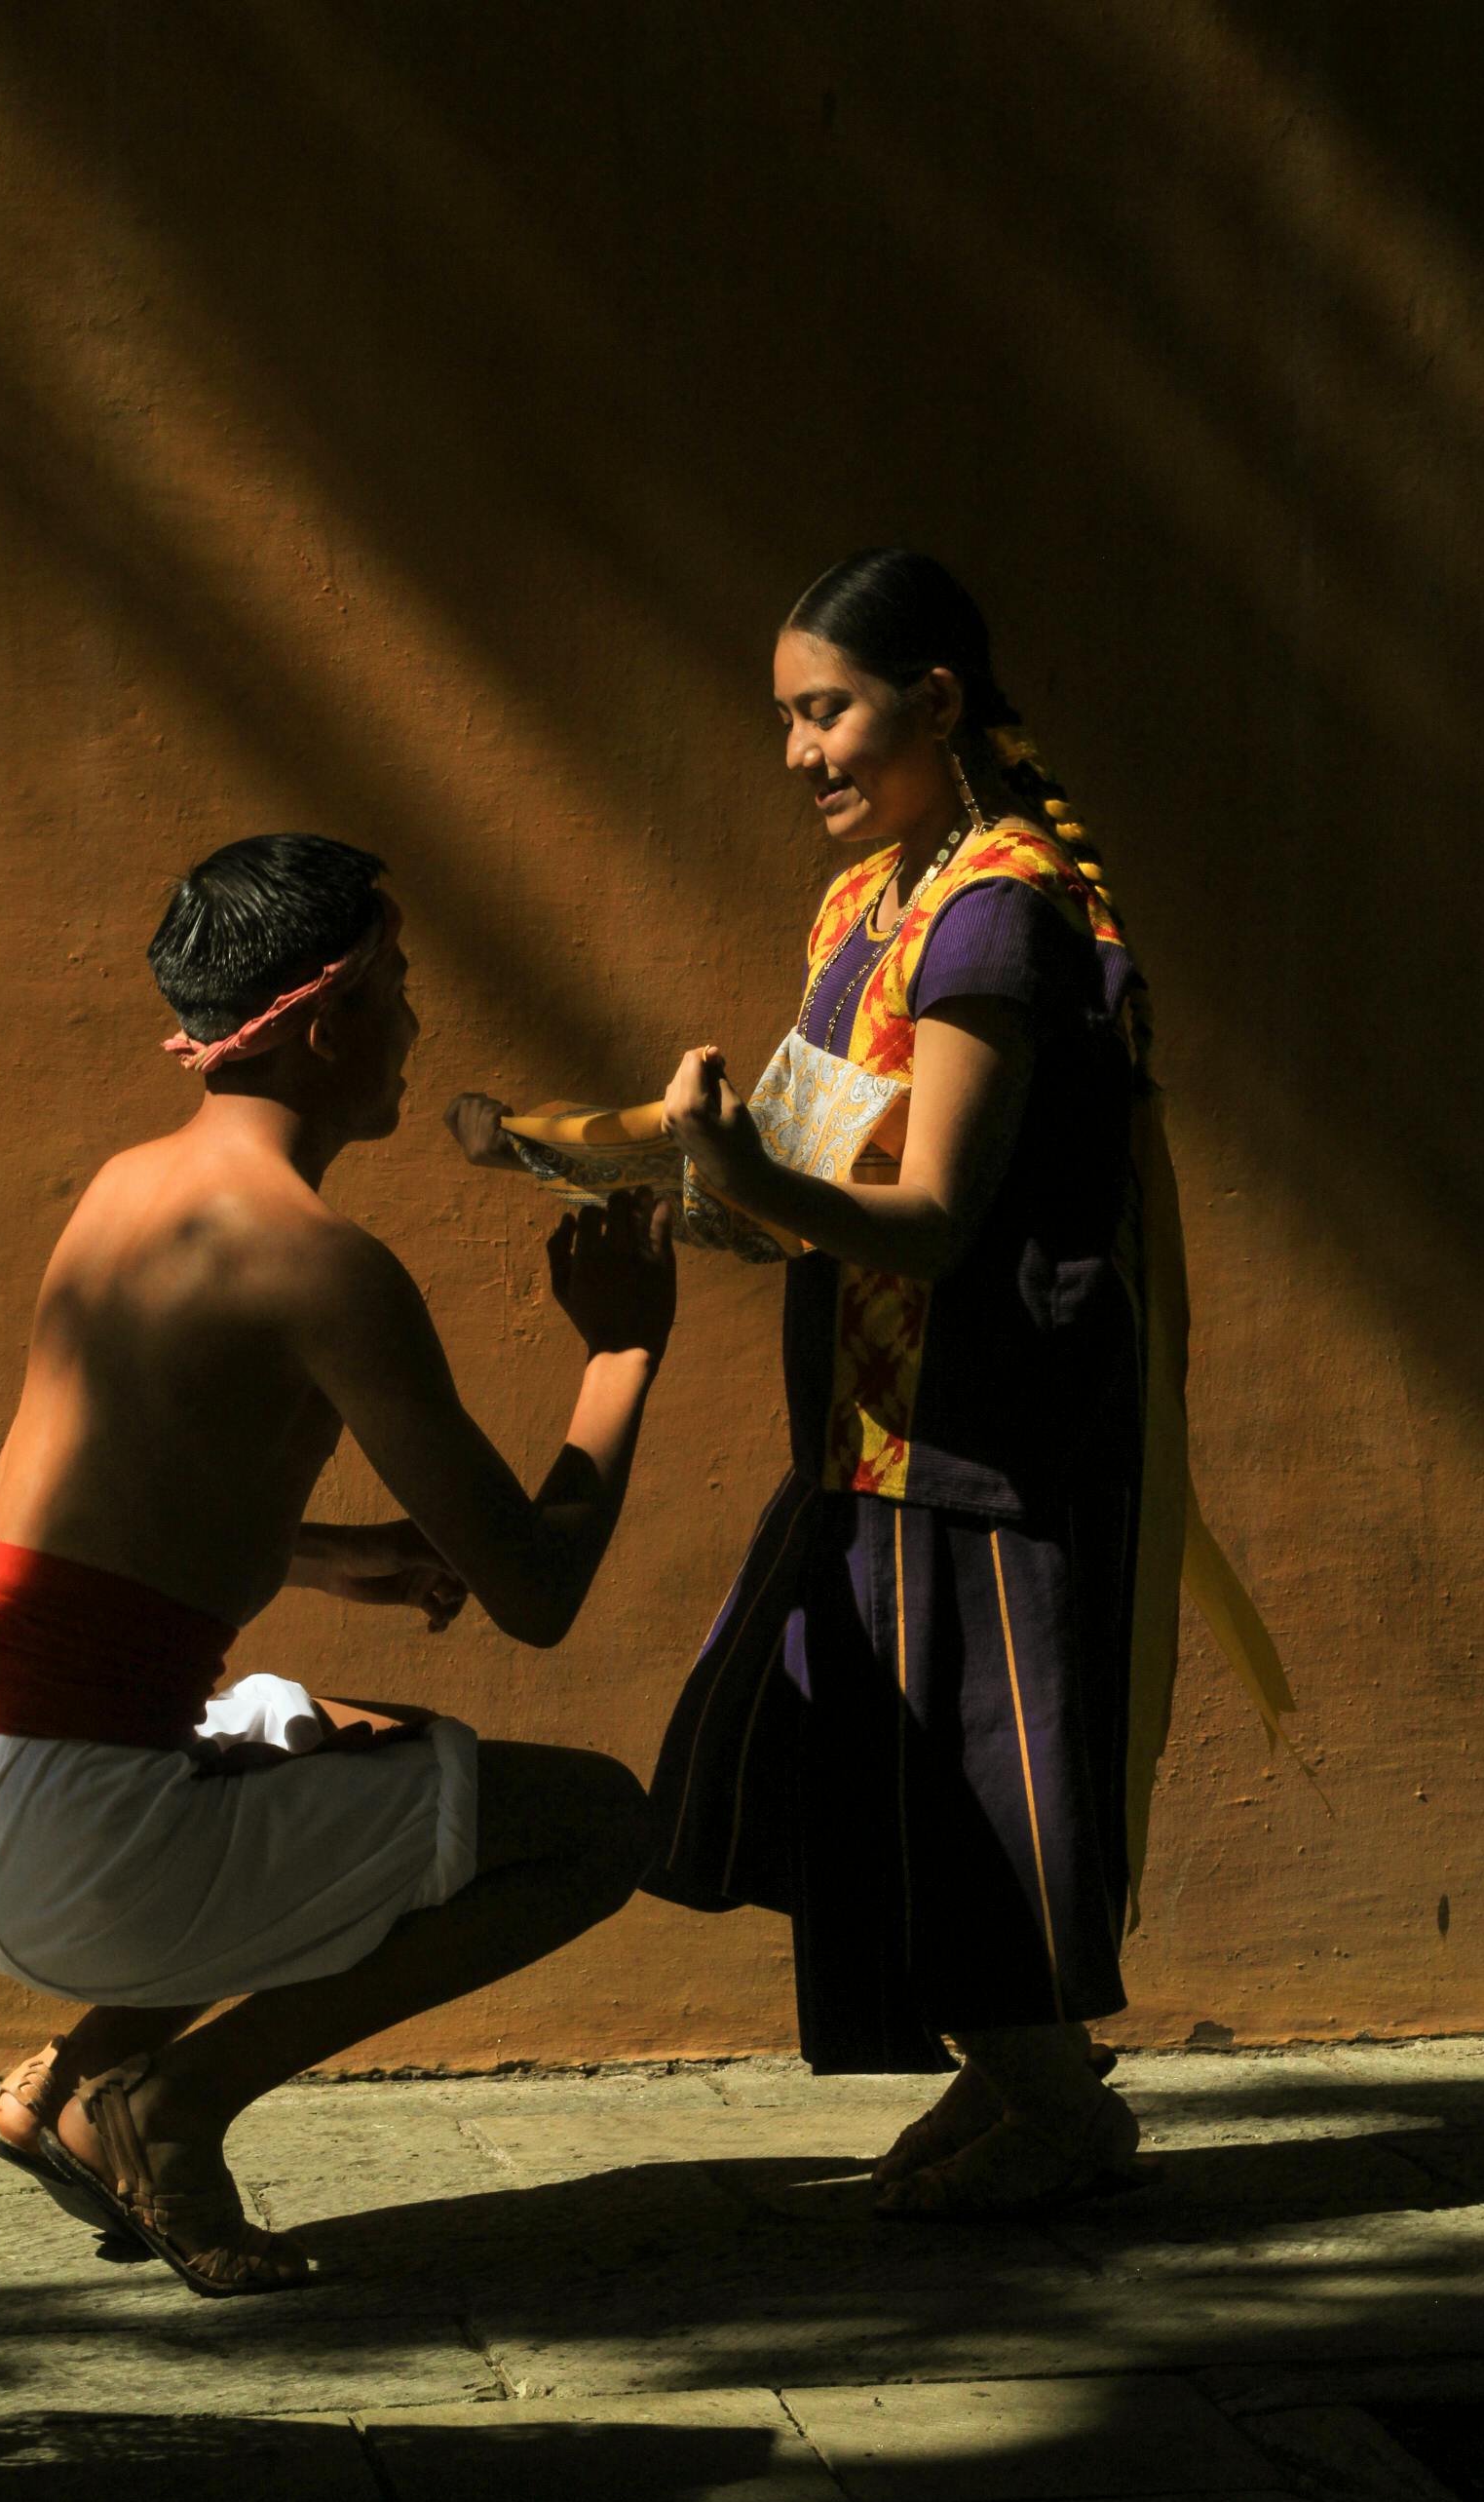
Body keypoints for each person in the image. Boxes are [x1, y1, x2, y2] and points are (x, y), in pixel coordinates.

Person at [447, 549, 1165, 2215]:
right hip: (865, 1429)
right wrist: (569, 1154)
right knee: (864, 1768)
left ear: (932, 703)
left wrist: (736, 1176)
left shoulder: (999, 910)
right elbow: (815, 1163)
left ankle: (1063, 2116)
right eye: (784, 718)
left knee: (957, 1786)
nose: (796, 755)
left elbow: (926, 1224)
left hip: (984, 1433)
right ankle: (1023, 2085)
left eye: (823, 711)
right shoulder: (869, 905)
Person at [0, 833, 674, 2294]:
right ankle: (170, 2106)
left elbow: (115, 1509)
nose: (416, 1026)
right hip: (76, 1851)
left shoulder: (130, 1185)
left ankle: (60, 2084)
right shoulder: (322, 1265)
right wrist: (623, 1350)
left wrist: (327, 1558)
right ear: (329, 1021)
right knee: (594, 1826)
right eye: (399, 987)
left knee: (332, 1735)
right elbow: (541, 1594)